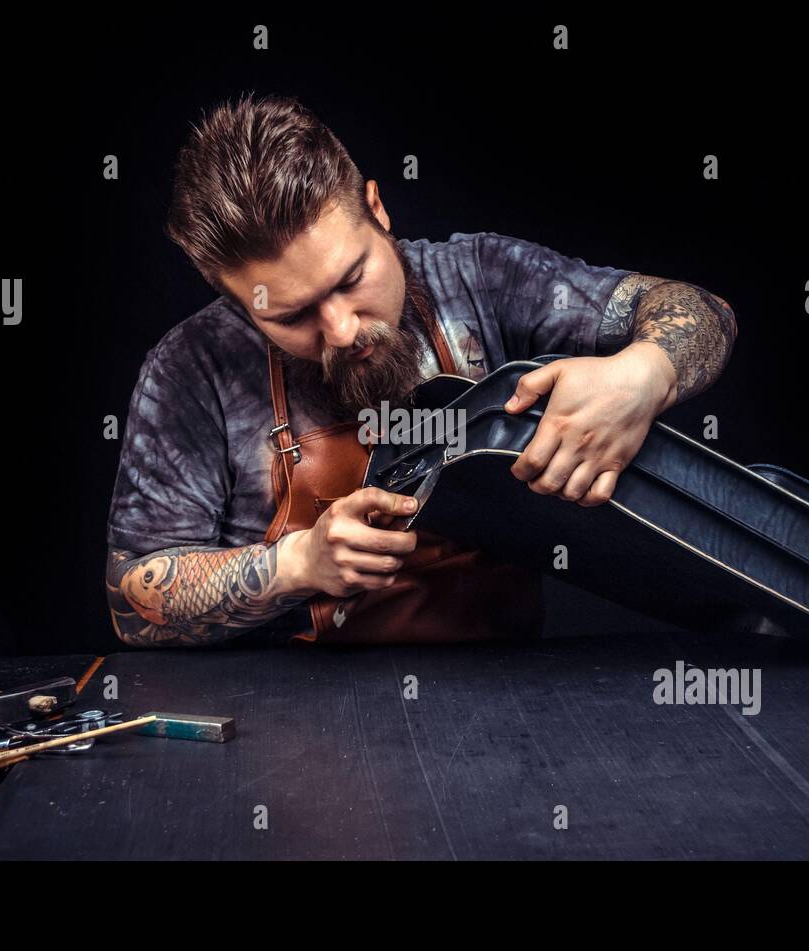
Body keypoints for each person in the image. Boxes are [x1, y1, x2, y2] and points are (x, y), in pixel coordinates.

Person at [105, 93, 737, 647]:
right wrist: (298, 564)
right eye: (291, 316)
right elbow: (133, 603)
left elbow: (702, 312)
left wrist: (643, 374)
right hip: (289, 722)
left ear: (377, 211)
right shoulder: (192, 367)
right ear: (239, 302)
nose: (344, 331)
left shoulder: (480, 281)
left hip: (508, 703)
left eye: (353, 279)